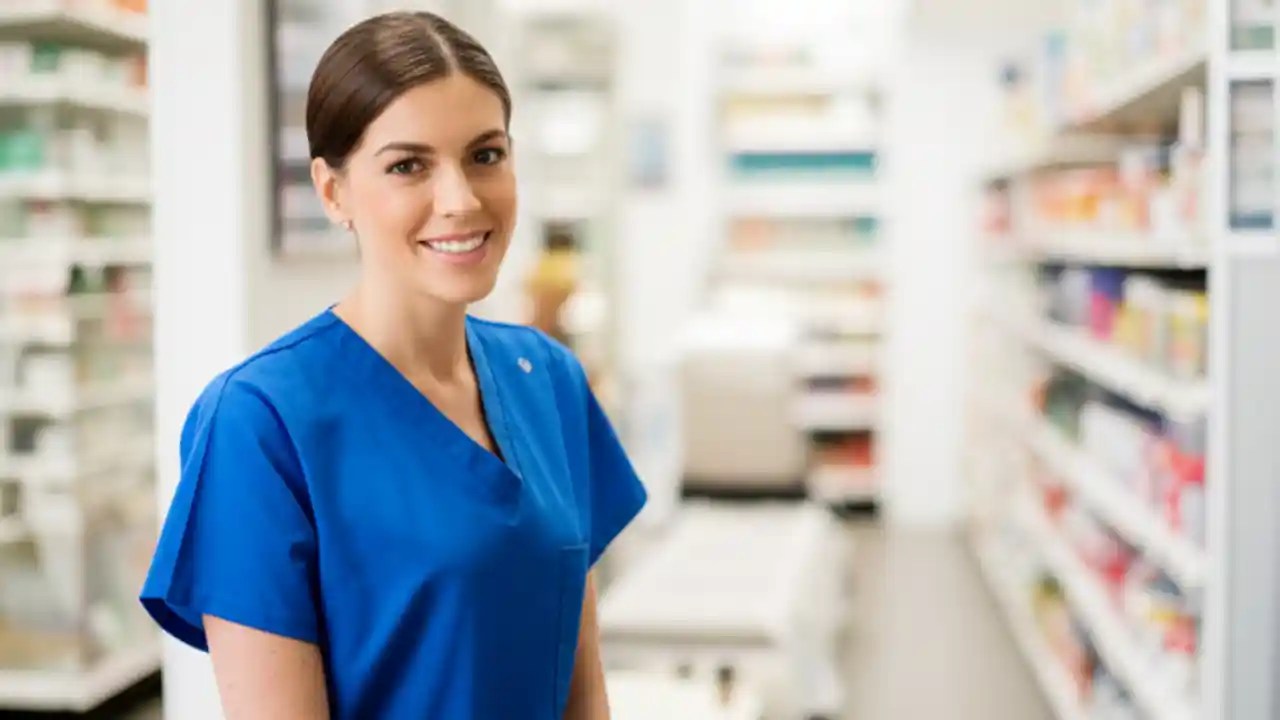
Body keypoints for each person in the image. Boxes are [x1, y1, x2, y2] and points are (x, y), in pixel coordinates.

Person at [140, 11, 647, 719]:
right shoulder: (261, 422)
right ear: (333, 191)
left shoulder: (549, 379)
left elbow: (583, 693)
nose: (462, 200)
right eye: (409, 165)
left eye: (486, 155)